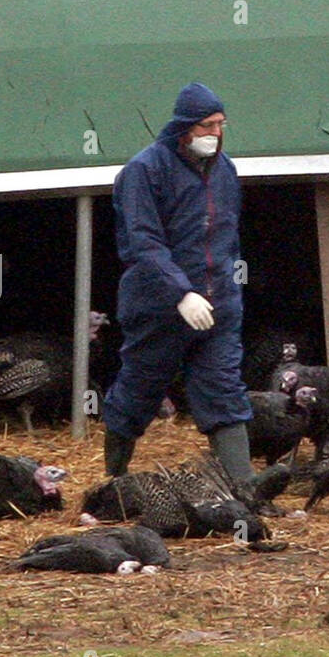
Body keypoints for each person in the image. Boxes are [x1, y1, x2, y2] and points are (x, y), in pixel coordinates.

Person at [102, 82, 254, 480]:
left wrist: (226, 292)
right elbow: (142, 240)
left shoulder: (225, 170)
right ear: (184, 128)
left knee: (223, 390)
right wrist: (181, 292)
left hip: (216, 304)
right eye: (206, 125)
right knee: (138, 390)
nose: (215, 134)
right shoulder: (144, 171)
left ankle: (246, 491)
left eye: (220, 124)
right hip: (158, 307)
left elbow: (226, 236)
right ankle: (113, 484)